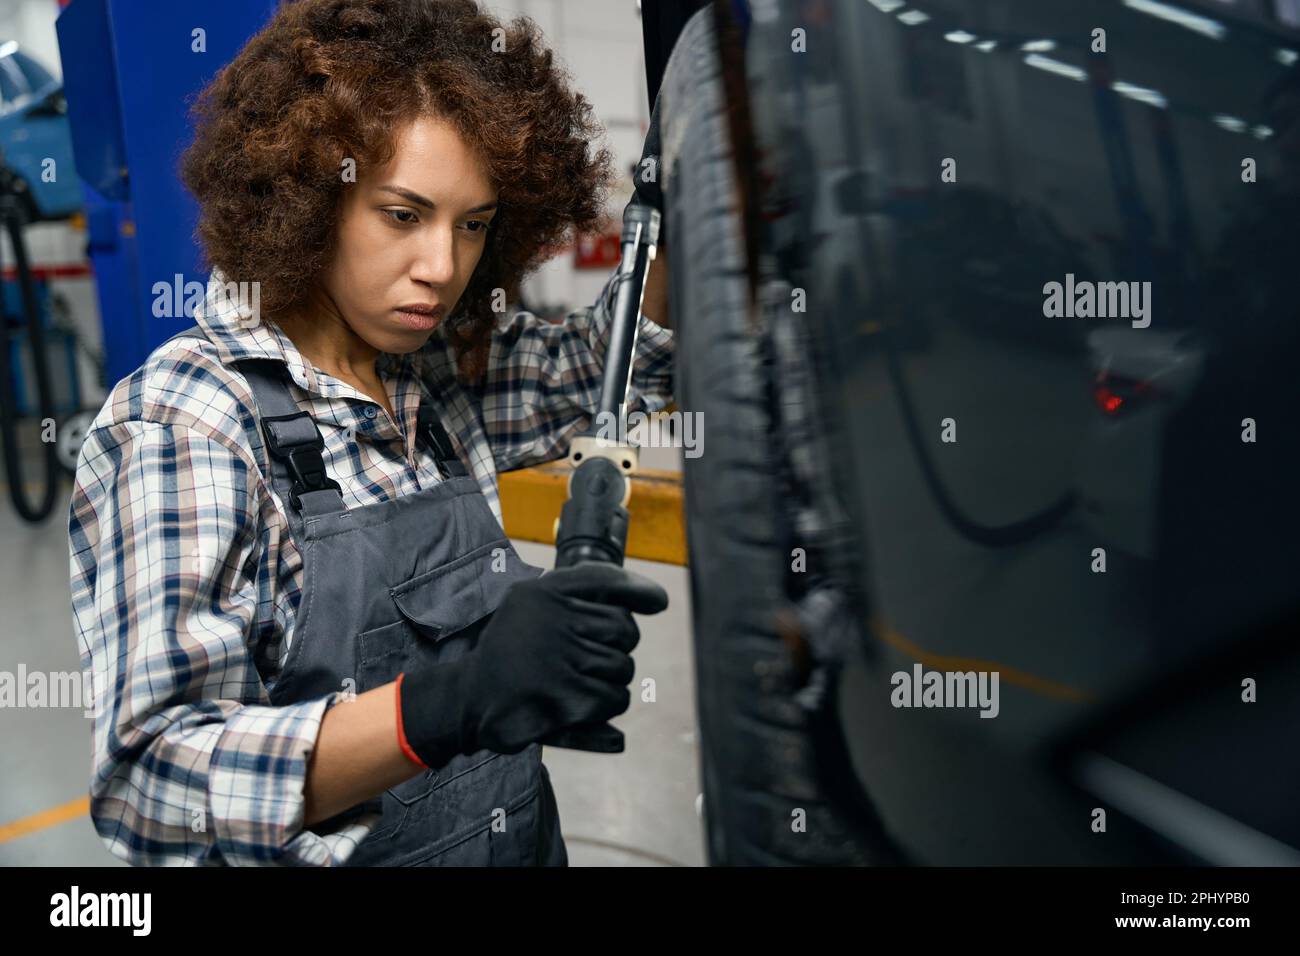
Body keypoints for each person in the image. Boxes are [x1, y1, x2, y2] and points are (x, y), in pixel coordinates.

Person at [66, 0, 674, 867]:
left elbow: (612, 364)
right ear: (307, 196)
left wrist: (689, 207)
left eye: (473, 225)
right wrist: (450, 702)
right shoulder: (186, 424)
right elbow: (155, 786)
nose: (441, 266)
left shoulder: (429, 376)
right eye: (402, 214)